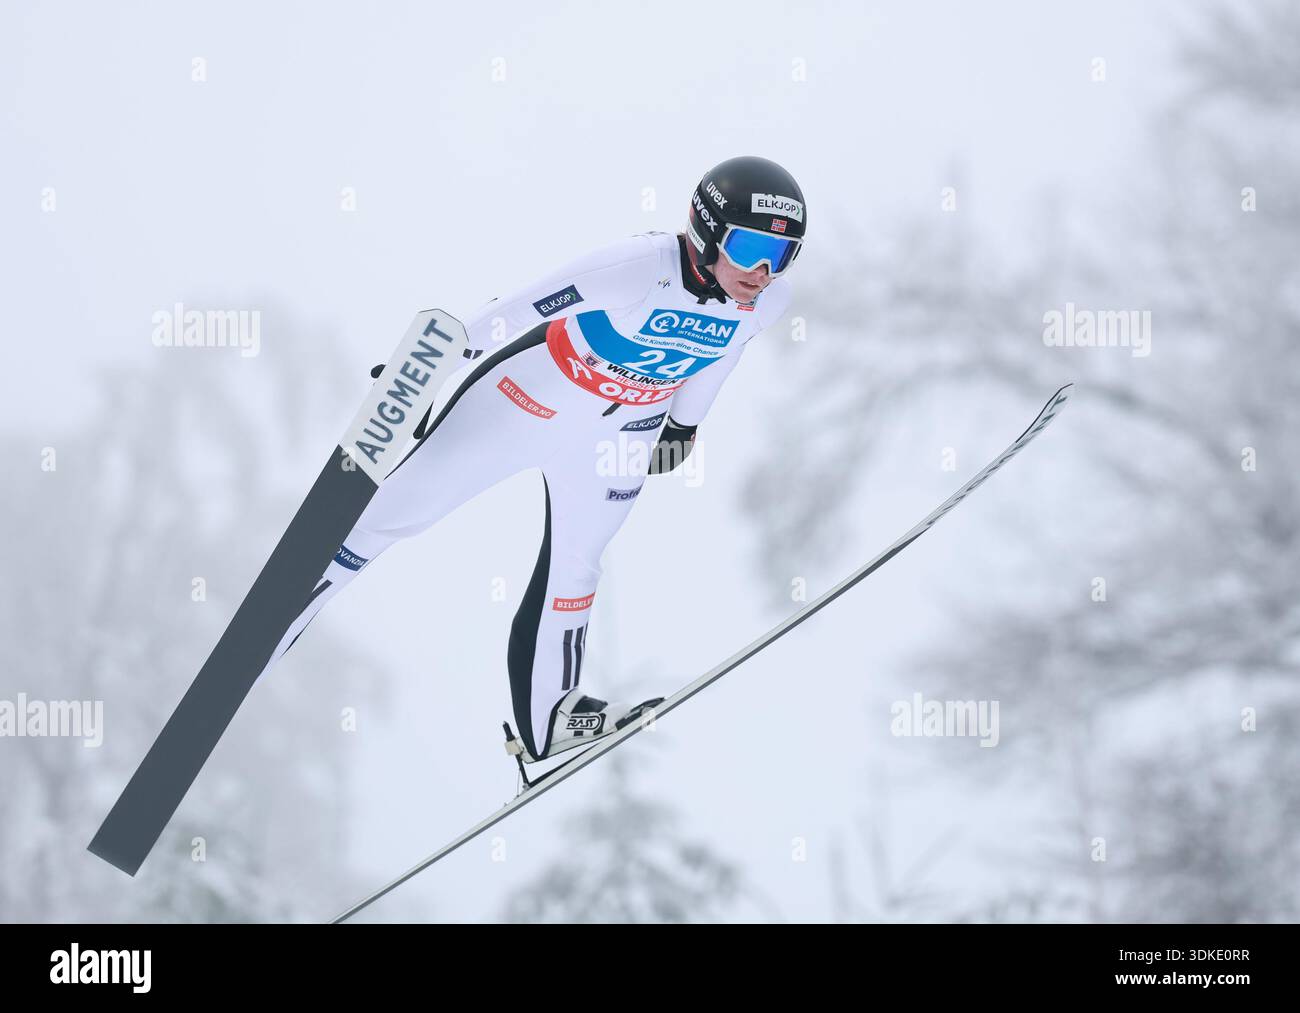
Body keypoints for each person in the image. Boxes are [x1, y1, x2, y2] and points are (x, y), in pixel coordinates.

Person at [267, 155, 807, 762]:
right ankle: (270, 626)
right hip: (526, 402)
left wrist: (684, 425)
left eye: (782, 255)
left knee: (578, 568)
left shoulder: (767, 300)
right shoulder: (636, 267)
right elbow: (516, 310)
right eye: (749, 247)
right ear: (707, 230)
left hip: (623, 430)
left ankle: (552, 715)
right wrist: (428, 368)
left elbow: (721, 356)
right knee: (393, 514)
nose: (763, 271)